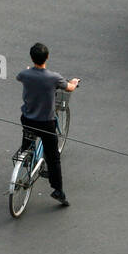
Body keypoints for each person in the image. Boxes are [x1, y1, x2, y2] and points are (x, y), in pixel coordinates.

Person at [16, 43, 80, 207]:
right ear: (47, 57)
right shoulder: (53, 78)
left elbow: (21, 77)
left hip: (28, 119)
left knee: (28, 137)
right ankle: (58, 190)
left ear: (32, 58)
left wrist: (30, 70)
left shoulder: (25, 74)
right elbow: (70, 87)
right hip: (46, 123)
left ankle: (25, 155)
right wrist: (73, 81)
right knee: (53, 158)